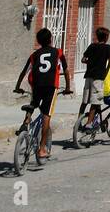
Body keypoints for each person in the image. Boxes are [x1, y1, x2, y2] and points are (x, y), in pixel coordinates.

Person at [13, 27, 72, 159]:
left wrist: (17, 87)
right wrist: (68, 88)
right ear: (51, 39)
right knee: (46, 115)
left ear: (38, 41)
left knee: (33, 102)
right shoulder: (58, 52)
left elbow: (24, 72)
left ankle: (26, 121)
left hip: (37, 85)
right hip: (51, 87)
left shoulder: (34, 55)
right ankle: (41, 149)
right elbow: (67, 72)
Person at [78, 26, 110, 124]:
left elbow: (83, 59)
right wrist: (106, 69)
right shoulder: (107, 48)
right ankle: (89, 123)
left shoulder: (91, 46)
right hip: (98, 78)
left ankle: (78, 121)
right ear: (106, 37)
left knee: (85, 101)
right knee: (95, 102)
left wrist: (91, 63)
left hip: (88, 76)